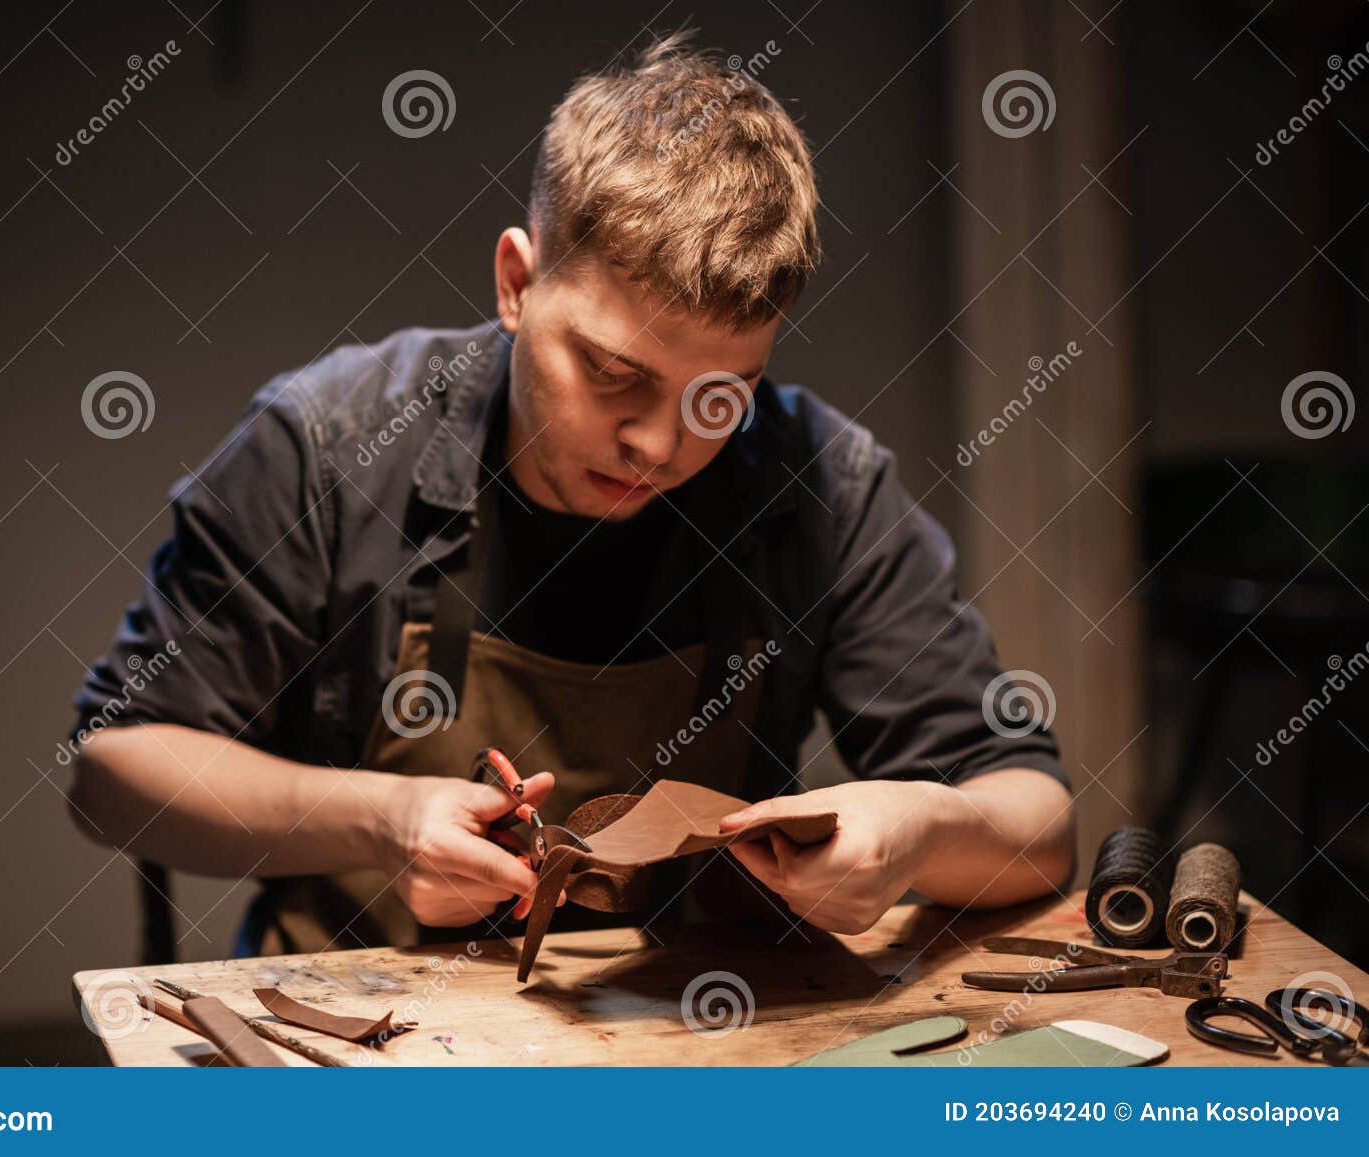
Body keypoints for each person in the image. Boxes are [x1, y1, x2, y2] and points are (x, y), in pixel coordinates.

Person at [65, 32, 1074, 958]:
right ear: (516, 281)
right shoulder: (325, 448)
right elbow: (111, 768)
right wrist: (380, 818)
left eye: (720, 395)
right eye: (611, 371)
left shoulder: (822, 485)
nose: (657, 443)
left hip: (694, 1041)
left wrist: (922, 832)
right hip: (357, 1038)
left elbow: (1035, 818)